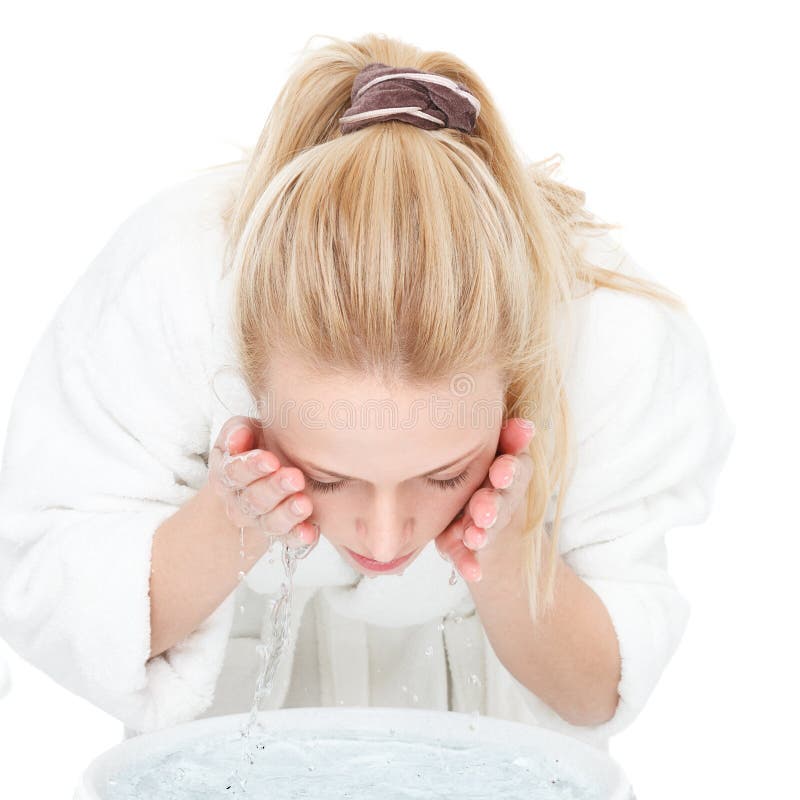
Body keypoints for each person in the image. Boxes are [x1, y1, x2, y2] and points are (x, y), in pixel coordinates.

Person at [0, 33, 735, 754]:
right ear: (245, 375)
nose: (384, 541)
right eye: (326, 477)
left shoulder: (613, 334)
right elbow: (55, 604)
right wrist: (231, 520)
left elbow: (598, 694)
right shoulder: (171, 289)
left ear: (517, 381)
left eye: (445, 475)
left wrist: (508, 551)